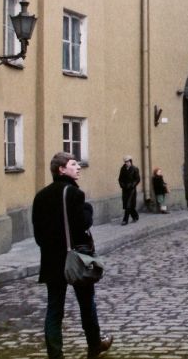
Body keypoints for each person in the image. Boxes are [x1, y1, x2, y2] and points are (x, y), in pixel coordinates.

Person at [32, 152, 113, 359]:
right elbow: (83, 224)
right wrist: (87, 208)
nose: (78, 167)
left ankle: (55, 354)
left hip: (51, 261)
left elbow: (38, 235)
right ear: (61, 169)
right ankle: (95, 345)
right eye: (73, 164)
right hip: (76, 259)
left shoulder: (40, 196)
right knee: (87, 304)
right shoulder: (75, 194)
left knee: (54, 309)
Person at [118, 155, 140, 225]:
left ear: (130, 161)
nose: (126, 163)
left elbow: (137, 179)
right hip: (125, 189)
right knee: (127, 205)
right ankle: (135, 216)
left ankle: (125, 220)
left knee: (128, 204)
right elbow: (120, 179)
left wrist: (132, 185)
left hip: (132, 190)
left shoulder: (135, 169)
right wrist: (122, 185)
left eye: (127, 162)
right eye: (125, 162)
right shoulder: (123, 169)